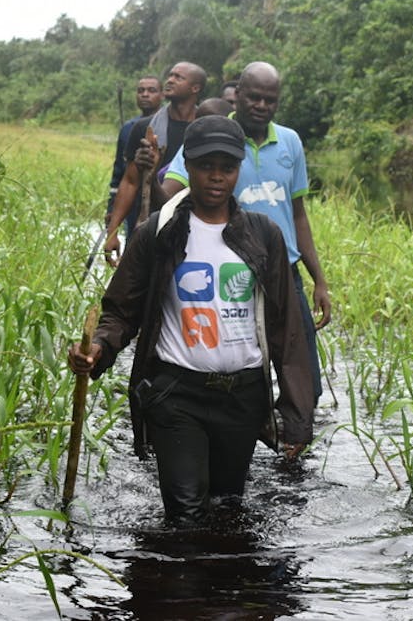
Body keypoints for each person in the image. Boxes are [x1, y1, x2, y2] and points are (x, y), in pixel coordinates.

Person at [68, 115, 314, 525]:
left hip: (243, 397)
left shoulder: (263, 235)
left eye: (227, 167)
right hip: (176, 393)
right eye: (205, 166)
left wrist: (296, 414)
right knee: (185, 514)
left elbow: (286, 331)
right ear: (189, 167)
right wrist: (97, 350)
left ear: (238, 169)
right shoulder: (157, 233)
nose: (216, 177)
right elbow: (121, 310)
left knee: (226, 506)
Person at [159, 62, 331, 402]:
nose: (262, 106)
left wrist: (319, 281)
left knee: (303, 373)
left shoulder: (290, 143)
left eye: (271, 100)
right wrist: (150, 175)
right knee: (238, 371)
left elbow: (298, 216)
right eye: (254, 97)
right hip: (231, 274)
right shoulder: (213, 136)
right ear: (237, 95)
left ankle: (295, 442)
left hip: (284, 272)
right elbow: (171, 194)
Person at [103, 61, 206, 264]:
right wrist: (113, 231)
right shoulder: (145, 128)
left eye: (179, 77)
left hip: (197, 226)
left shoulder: (205, 127)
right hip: (151, 223)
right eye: (170, 75)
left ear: (195, 88)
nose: (170, 80)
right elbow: (130, 181)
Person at [105, 76, 163, 232]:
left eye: (151, 90)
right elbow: (119, 172)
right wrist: (112, 209)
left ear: (162, 95)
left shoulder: (167, 125)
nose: (145, 94)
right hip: (131, 203)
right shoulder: (128, 128)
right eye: (140, 90)